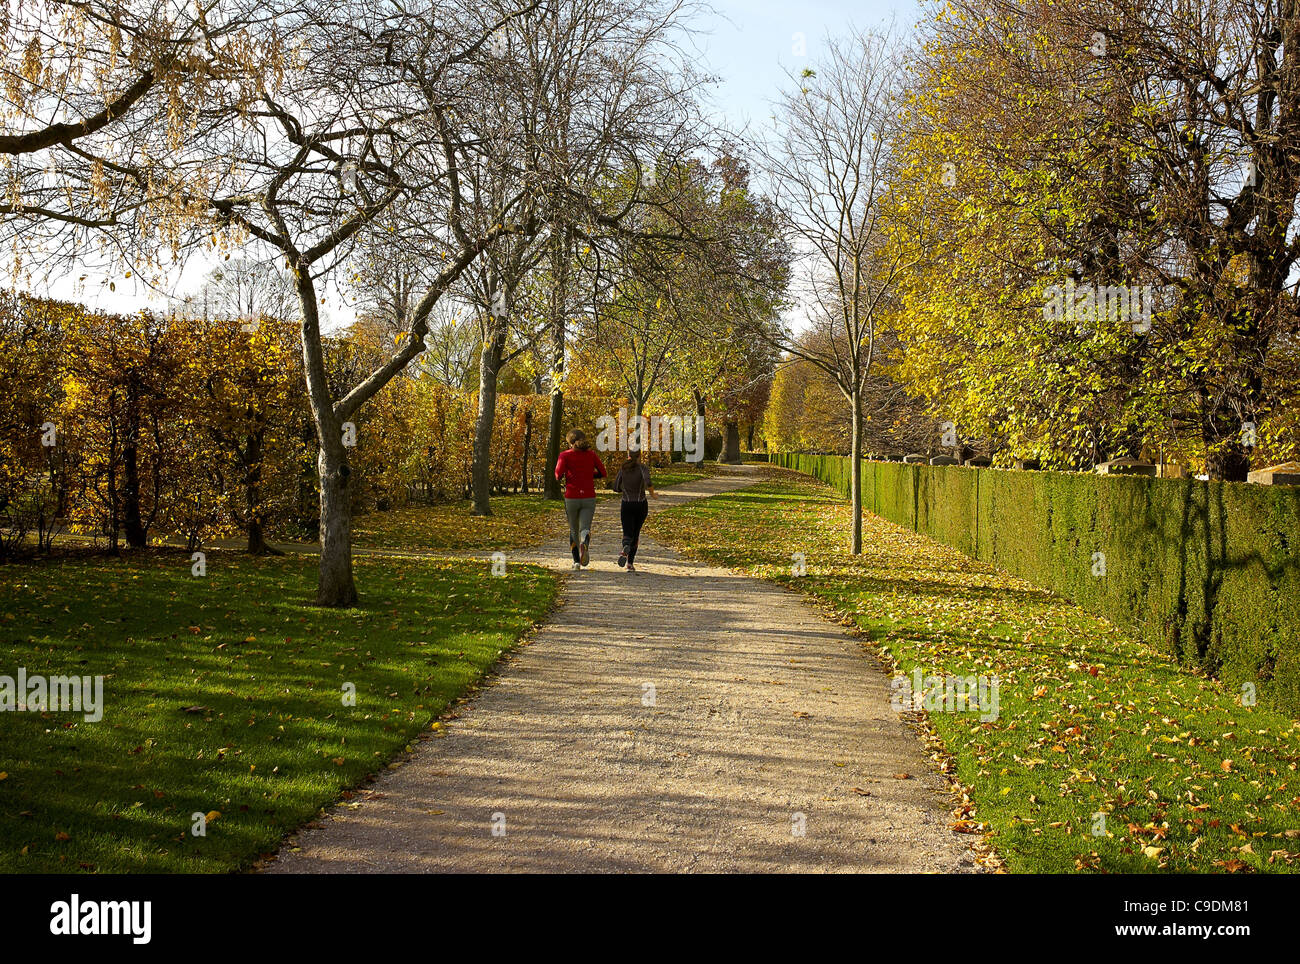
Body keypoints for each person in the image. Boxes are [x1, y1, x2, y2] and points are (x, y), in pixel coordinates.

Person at [554, 429, 607, 571]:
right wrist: (589, 475)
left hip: (571, 497)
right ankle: (585, 540)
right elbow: (603, 473)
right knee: (584, 528)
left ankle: (576, 562)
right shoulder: (591, 455)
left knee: (573, 529)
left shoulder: (564, 455)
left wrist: (569, 476)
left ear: (570, 442)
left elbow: (558, 475)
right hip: (589, 496)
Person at [612, 449, 656, 572]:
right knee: (636, 533)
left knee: (627, 531)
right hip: (641, 504)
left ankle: (625, 545)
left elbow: (615, 487)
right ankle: (630, 563)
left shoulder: (623, 469)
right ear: (639, 456)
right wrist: (652, 493)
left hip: (626, 503)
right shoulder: (643, 468)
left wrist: (623, 490)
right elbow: (648, 481)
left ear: (628, 455)